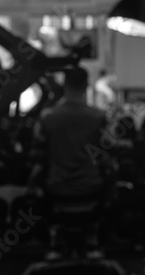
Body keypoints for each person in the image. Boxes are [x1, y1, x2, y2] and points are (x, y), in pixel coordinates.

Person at [30, 66, 110, 259]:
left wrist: (31, 187)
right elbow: (107, 159)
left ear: (64, 85)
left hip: (57, 189)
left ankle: (56, 241)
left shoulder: (47, 117)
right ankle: (91, 240)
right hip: (90, 189)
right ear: (86, 86)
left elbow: (37, 159)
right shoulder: (98, 117)